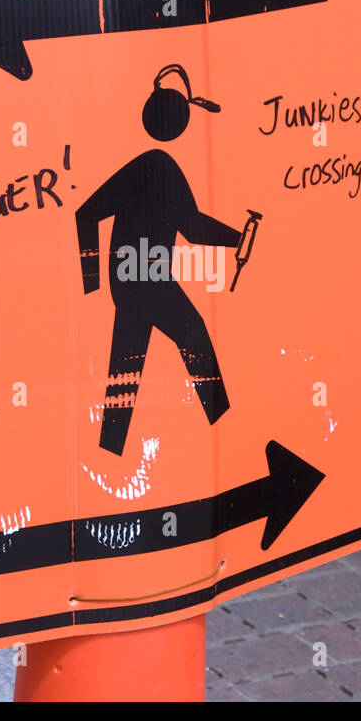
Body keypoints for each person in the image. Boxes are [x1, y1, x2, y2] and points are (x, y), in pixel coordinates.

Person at [76, 64, 245, 456]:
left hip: (138, 278)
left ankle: (110, 446)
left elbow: (192, 228)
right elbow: (86, 213)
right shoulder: (155, 166)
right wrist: (90, 282)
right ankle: (225, 426)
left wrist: (237, 239)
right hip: (143, 278)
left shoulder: (159, 167)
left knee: (126, 364)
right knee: (193, 336)